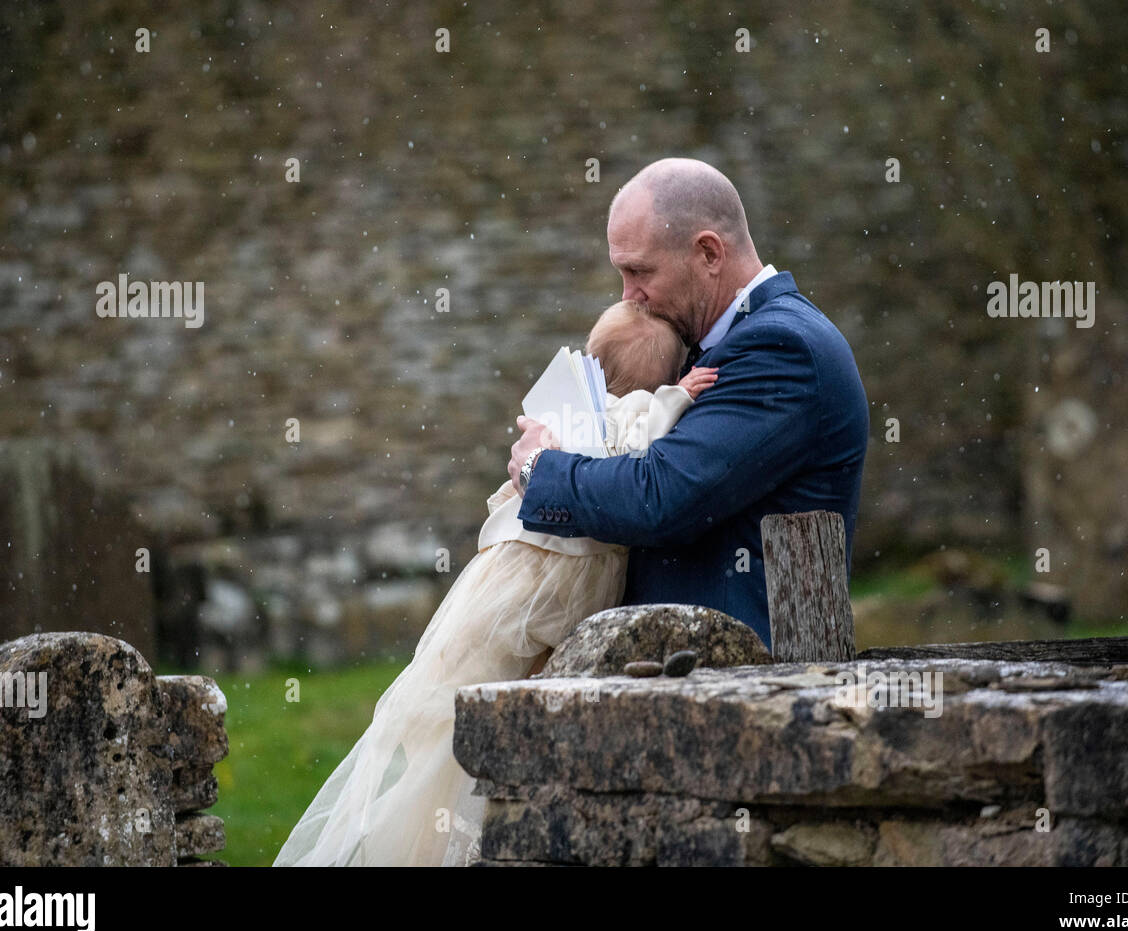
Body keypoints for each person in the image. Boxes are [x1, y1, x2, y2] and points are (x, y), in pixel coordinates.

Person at [272, 300, 718, 867]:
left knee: (488, 669)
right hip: (561, 573)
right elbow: (647, 431)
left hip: (520, 565)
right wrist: (683, 393)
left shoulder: (566, 418)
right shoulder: (627, 412)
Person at [509, 158, 870, 650]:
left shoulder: (782, 348)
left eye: (639, 271)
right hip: (711, 679)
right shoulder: (720, 345)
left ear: (708, 253)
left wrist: (540, 469)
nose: (628, 296)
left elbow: (659, 495)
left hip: (764, 686)